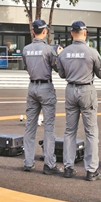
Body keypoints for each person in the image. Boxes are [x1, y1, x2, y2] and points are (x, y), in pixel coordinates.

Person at [56, 20, 101, 181]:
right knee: (91, 132)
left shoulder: (63, 53)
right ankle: (91, 170)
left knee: (69, 131)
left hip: (70, 90)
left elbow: (61, 74)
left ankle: (68, 167)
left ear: (72, 33)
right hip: (87, 91)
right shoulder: (92, 52)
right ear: (85, 33)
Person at [21, 19, 62, 175]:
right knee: (49, 127)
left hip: (32, 87)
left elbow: (26, 67)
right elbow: (58, 69)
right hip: (45, 86)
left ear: (33, 32)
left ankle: (28, 162)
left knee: (30, 126)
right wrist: (59, 55)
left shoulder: (25, 49)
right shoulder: (48, 50)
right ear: (44, 31)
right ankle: (49, 163)